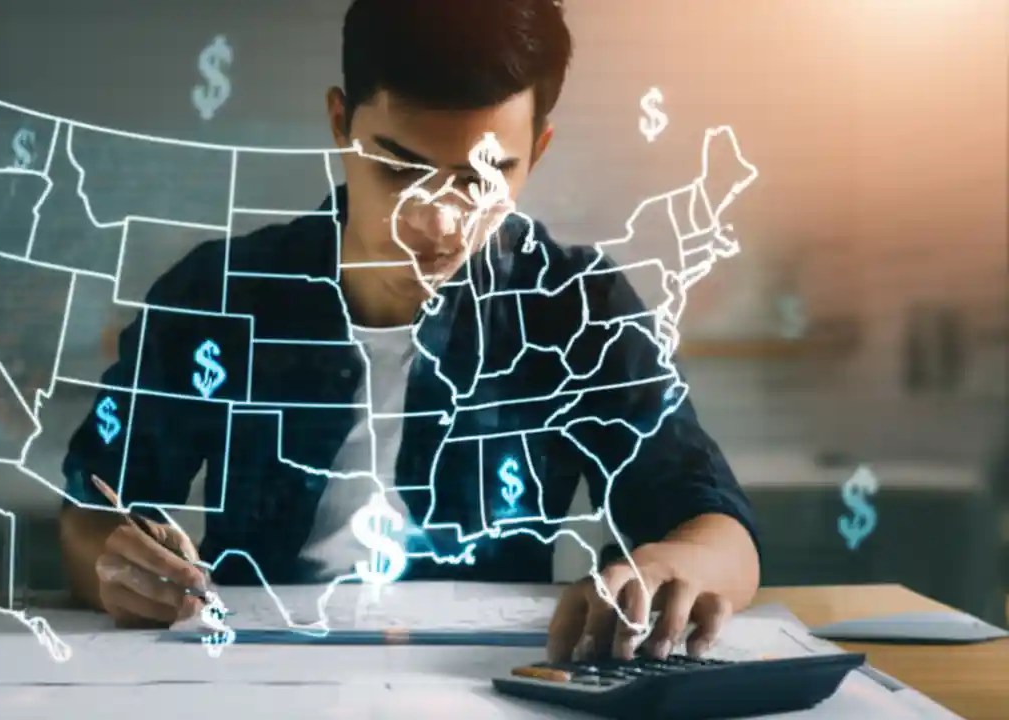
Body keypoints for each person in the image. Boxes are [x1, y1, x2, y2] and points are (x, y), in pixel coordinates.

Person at [58, 0, 761, 665]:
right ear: (341, 122)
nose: (436, 224)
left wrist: (678, 564)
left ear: (537, 152)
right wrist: (111, 564)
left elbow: (718, 527)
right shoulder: (218, 294)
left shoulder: (574, 307)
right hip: (251, 677)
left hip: (486, 685)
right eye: (399, 168)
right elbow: (92, 508)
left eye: (482, 179)